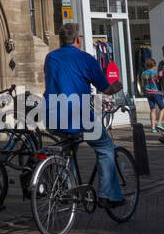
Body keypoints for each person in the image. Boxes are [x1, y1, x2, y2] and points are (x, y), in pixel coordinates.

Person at [43, 23, 124, 208]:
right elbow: (106, 88)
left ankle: (66, 187)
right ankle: (108, 195)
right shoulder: (86, 59)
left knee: (68, 148)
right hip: (77, 115)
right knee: (105, 146)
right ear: (78, 39)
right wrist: (116, 87)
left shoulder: (50, 57)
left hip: (52, 115)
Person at [142, 57, 164, 133]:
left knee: (152, 110)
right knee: (162, 108)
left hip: (148, 93)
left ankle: (153, 128)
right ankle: (159, 123)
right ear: (154, 65)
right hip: (156, 92)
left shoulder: (143, 73)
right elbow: (159, 82)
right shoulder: (156, 73)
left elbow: (143, 84)